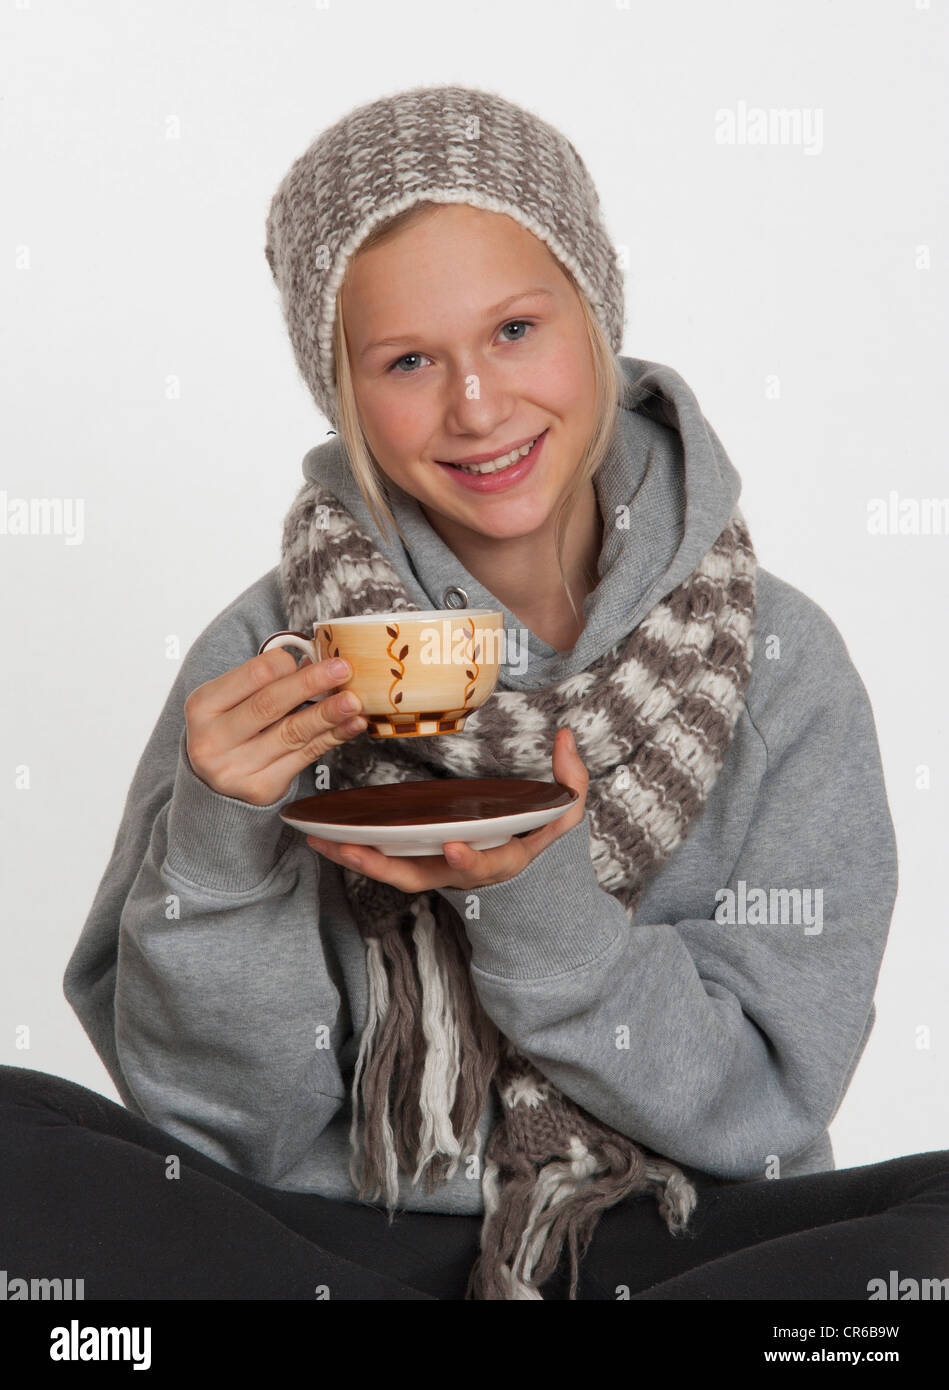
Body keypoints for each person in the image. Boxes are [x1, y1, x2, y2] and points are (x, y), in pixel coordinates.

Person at [7, 84, 946, 1302]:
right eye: (407, 360)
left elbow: (760, 1109)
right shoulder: (270, 664)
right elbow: (226, 1139)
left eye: (514, 330)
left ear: (594, 313)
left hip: (675, 1239)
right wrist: (216, 841)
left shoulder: (777, 658)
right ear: (340, 391)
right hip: (341, 1247)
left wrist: (537, 903)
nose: (477, 405)